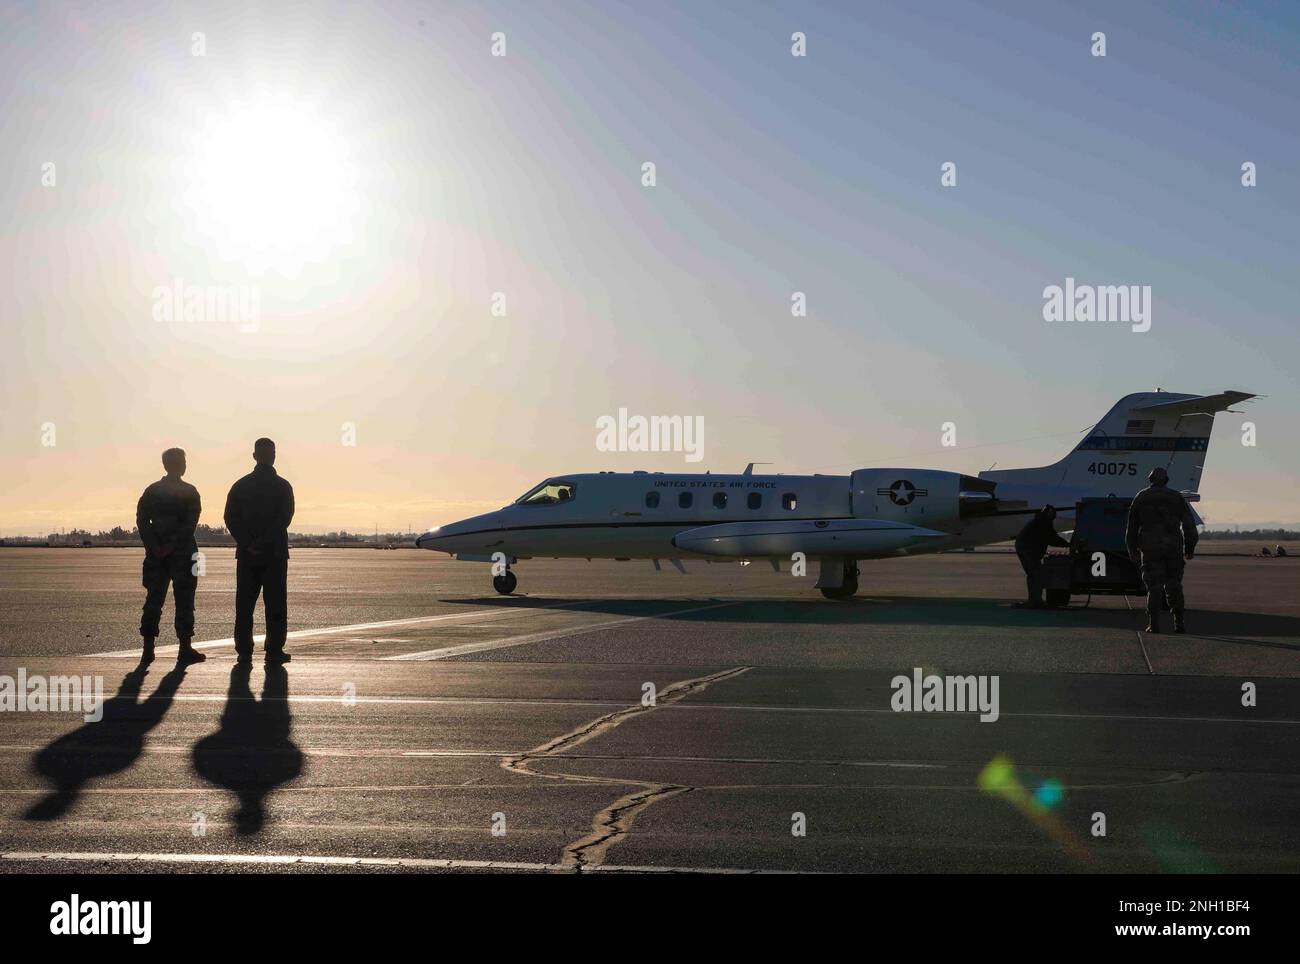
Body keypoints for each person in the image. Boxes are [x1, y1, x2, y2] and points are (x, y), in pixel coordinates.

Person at [224, 438, 295, 664]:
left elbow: (230, 518)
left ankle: (244, 649)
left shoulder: (240, 485)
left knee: (244, 604)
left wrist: (248, 542)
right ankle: (274, 649)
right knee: (275, 604)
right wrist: (264, 541)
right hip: (274, 553)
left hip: (247, 555)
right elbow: (284, 519)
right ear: (274, 456)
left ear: (254, 456)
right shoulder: (283, 486)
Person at [137, 447, 206, 664]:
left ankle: (148, 648)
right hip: (184, 554)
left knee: (153, 600)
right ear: (181, 465)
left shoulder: (152, 491)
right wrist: (172, 545)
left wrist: (154, 546)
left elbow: (141, 521)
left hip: (156, 555)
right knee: (185, 601)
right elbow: (190, 524)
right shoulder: (190, 492)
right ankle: (184, 647)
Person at [1125, 466, 1197, 634]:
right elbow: (1189, 526)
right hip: (1173, 547)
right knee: (1174, 585)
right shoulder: (1176, 497)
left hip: (1150, 549)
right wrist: (1190, 547)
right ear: (1166, 480)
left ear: (1150, 479)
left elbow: (1131, 528)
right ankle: (1179, 623)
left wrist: (1132, 550)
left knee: (1154, 587)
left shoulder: (1141, 497)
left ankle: (1154, 624)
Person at [1014, 505, 1069, 608]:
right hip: (1027, 551)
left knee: (1034, 574)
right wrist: (1068, 544)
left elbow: (1051, 537)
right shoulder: (1042, 523)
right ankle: (1035, 601)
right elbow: (1052, 538)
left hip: (1026, 549)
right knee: (1035, 574)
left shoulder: (1040, 521)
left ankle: (1035, 600)